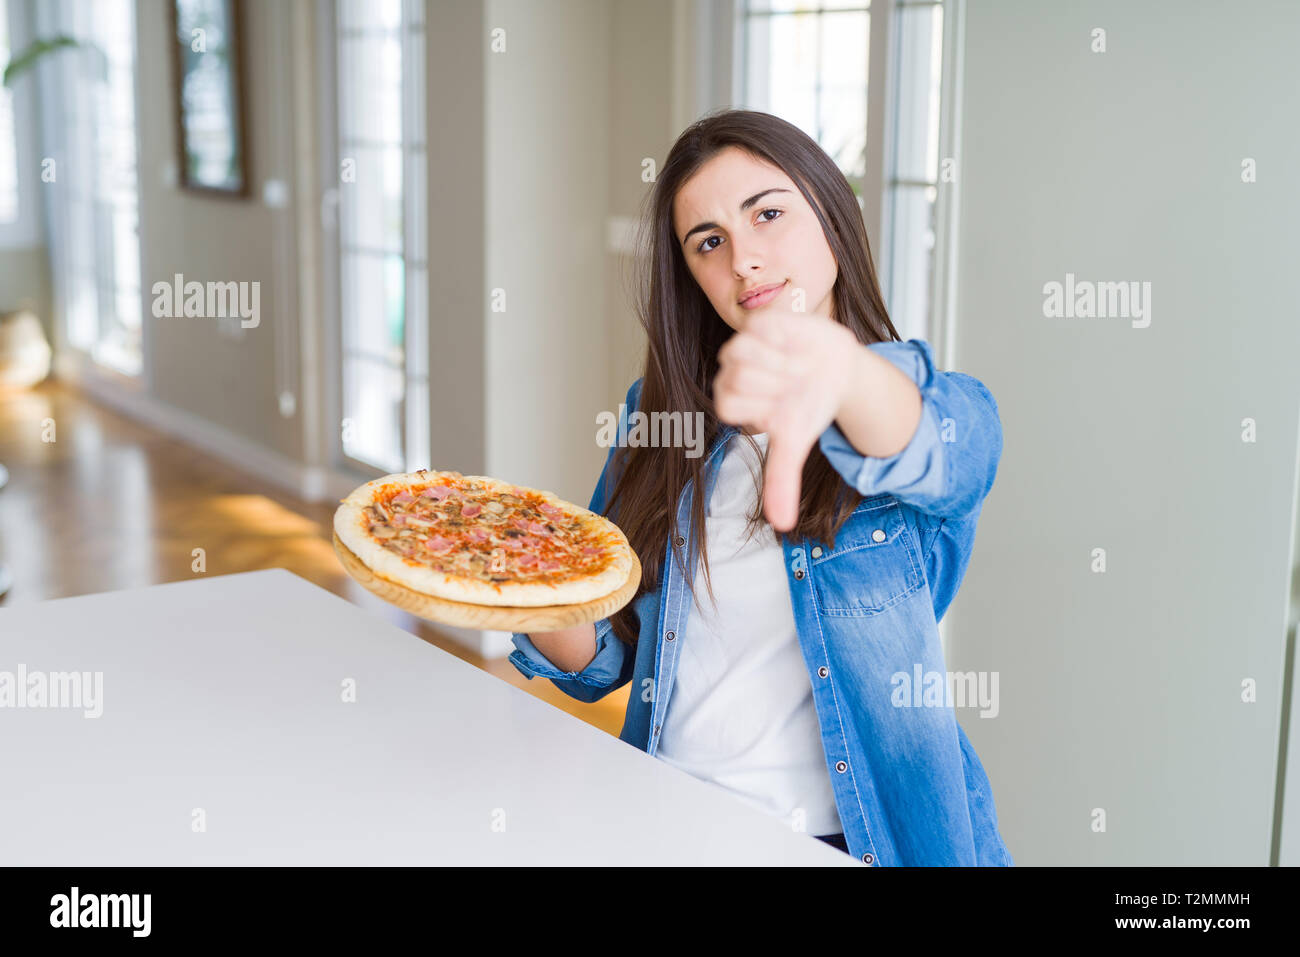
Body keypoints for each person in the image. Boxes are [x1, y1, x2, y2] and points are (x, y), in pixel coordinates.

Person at [510, 109, 1012, 866]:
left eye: (768, 214)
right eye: (709, 243)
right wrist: (522, 580)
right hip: (665, 824)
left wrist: (839, 368)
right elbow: (604, 658)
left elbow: (958, 447)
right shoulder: (660, 419)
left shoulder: (911, 407)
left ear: (831, 215)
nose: (744, 260)